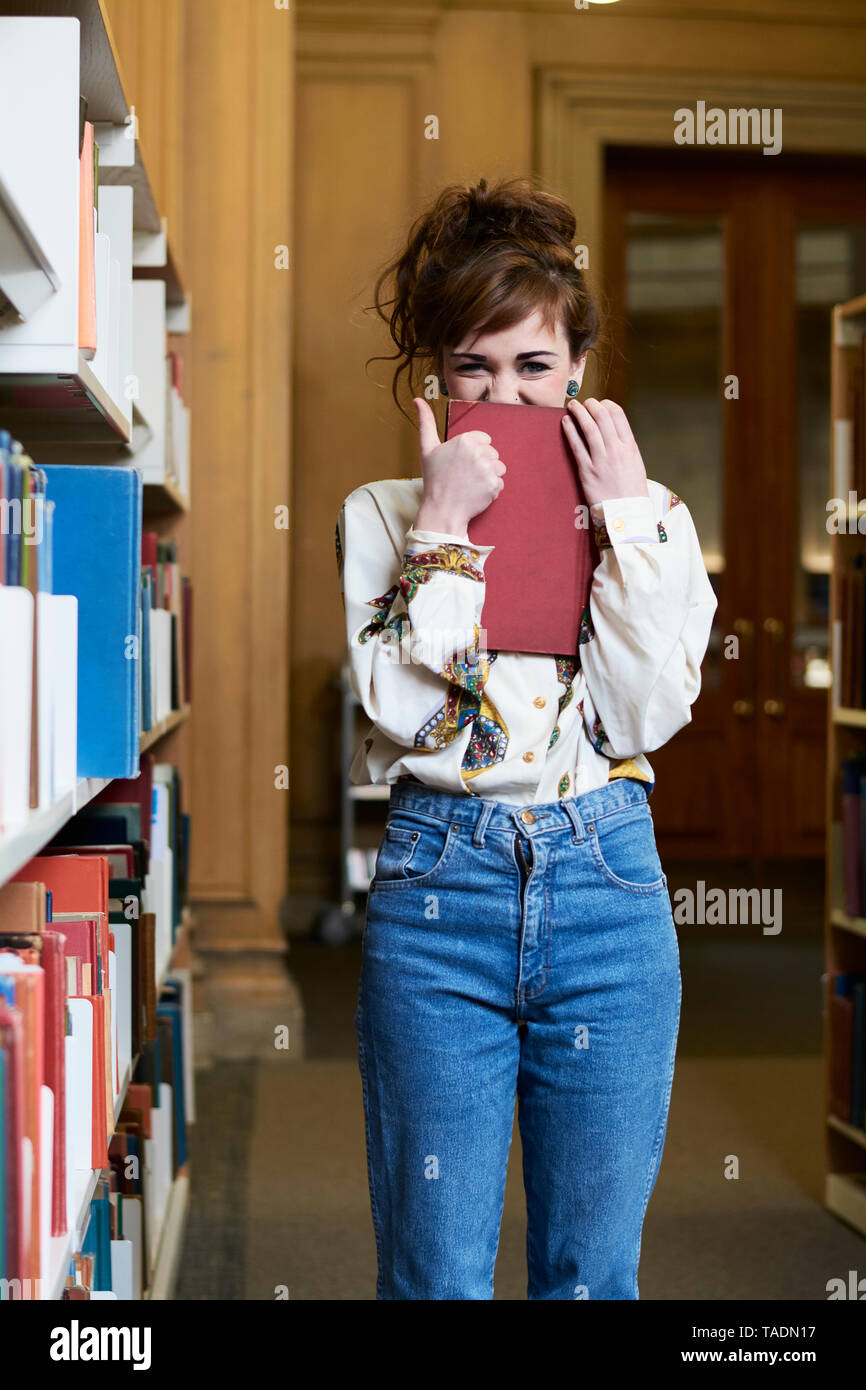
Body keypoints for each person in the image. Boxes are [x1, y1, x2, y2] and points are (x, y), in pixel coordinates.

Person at [334, 175, 717, 1300]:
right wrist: (444, 530)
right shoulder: (381, 513)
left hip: (605, 878)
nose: (503, 393)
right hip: (437, 881)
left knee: (591, 1273)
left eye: (533, 367)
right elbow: (405, 714)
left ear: (578, 370)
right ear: (435, 376)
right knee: (434, 1272)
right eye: (473, 367)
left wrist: (626, 520)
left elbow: (641, 715)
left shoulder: (649, 518)